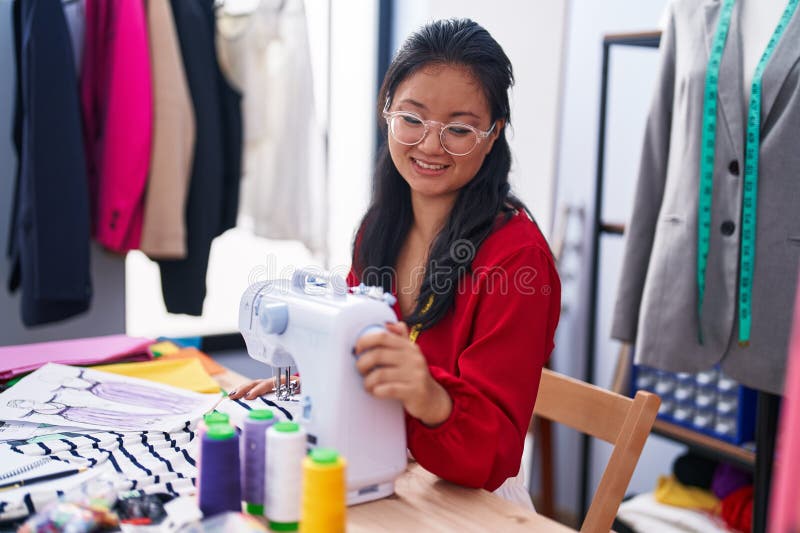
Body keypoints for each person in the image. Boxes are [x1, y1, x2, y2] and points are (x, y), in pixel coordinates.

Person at [229, 18, 560, 507]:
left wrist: (428, 395)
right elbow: (352, 351)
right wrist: (305, 378)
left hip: (464, 503)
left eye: (460, 128)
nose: (429, 145)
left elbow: (493, 457)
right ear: (387, 114)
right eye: (412, 119)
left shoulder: (517, 262)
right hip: (382, 472)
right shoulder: (378, 230)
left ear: (493, 135)